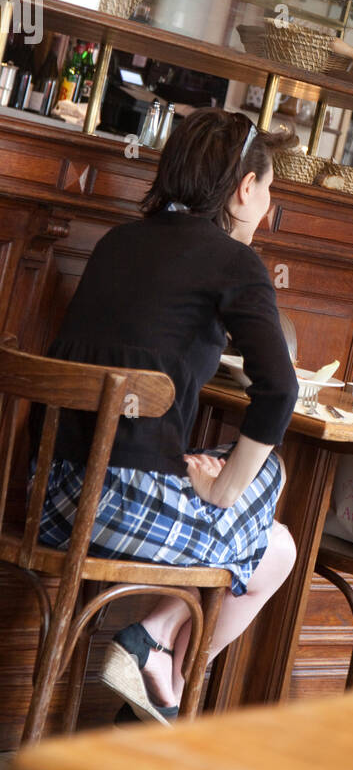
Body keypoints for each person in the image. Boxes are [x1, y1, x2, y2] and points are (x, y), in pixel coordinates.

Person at [32, 109, 299, 722]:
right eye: (270, 189)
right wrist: (225, 486)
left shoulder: (116, 242)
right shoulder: (235, 262)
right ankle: (152, 653)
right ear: (243, 189)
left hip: (50, 497)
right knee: (269, 478)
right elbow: (279, 390)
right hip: (120, 505)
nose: (268, 205)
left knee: (277, 547)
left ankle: (155, 672)